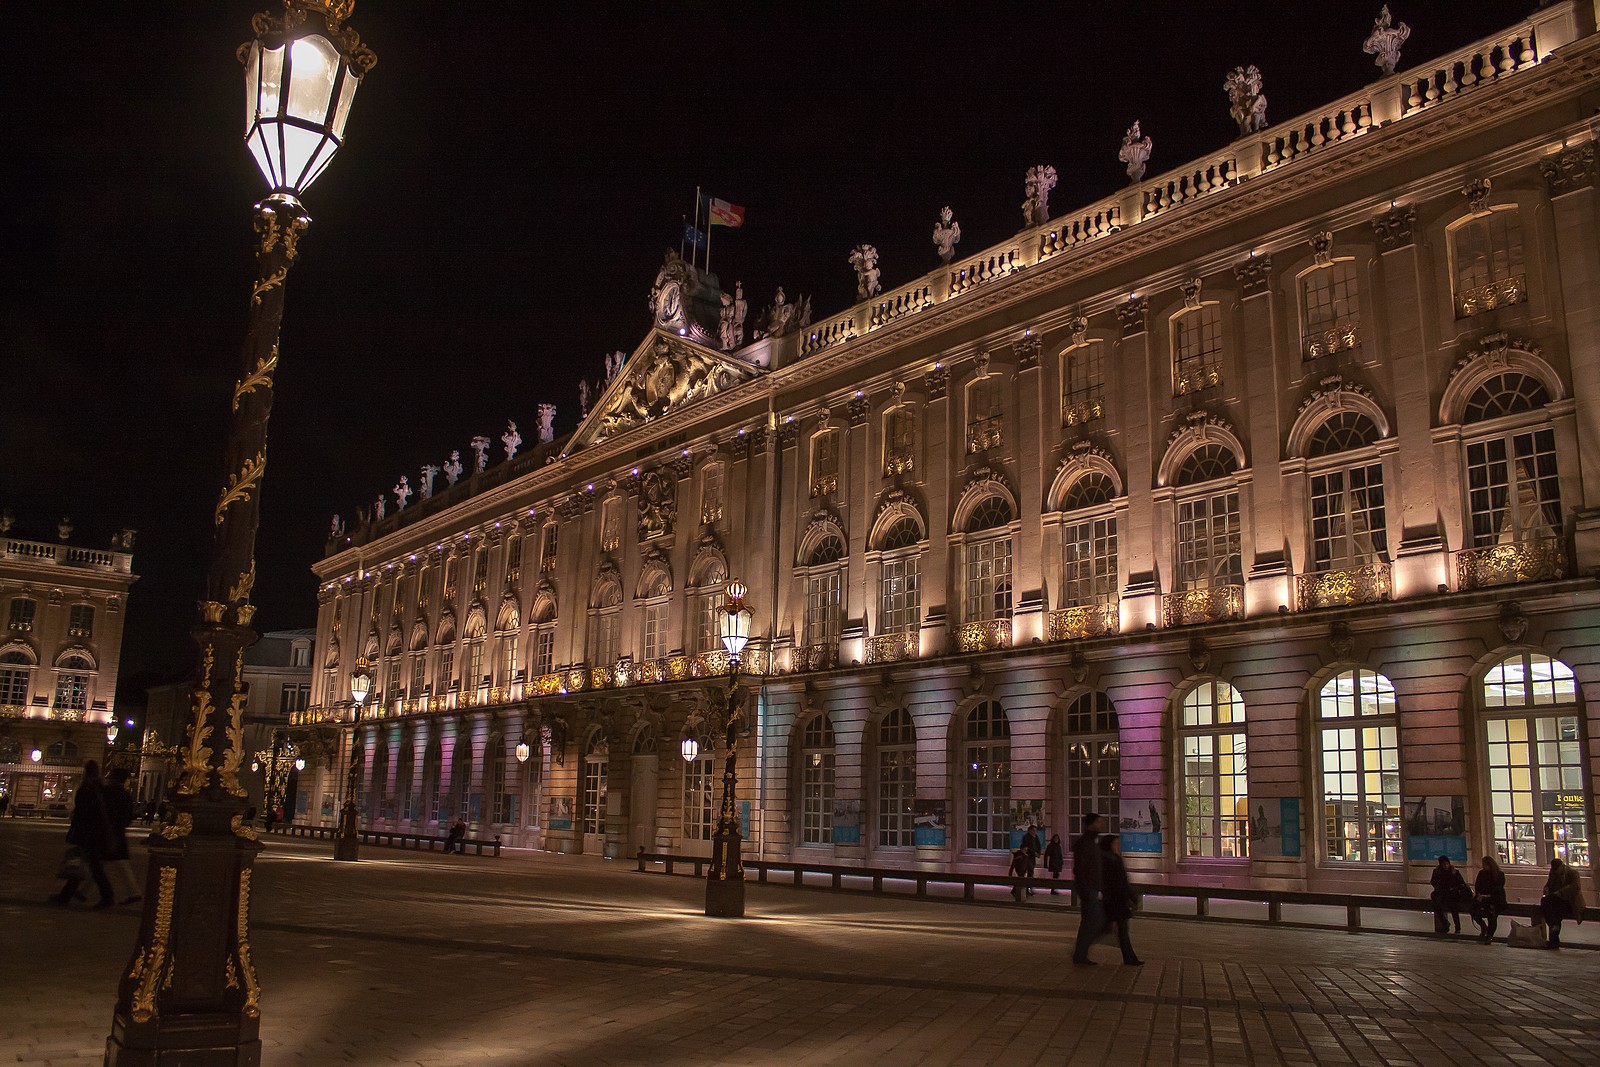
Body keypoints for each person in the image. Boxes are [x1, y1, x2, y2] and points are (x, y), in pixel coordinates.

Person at [51, 760, 116, 909]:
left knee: (92, 866)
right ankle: (65, 895)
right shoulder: (100, 788)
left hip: (89, 832)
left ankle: (107, 897)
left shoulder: (88, 788)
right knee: (84, 864)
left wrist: (76, 832)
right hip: (96, 833)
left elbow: (83, 813)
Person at [1099, 834, 1144, 966]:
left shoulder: (1115, 859)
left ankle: (1130, 958)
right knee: (1120, 930)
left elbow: (1124, 881)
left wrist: (1131, 896)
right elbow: (1114, 882)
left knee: (1121, 929)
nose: (1118, 846)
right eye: (1115, 843)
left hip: (1118, 899)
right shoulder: (1108, 860)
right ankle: (1082, 948)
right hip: (1115, 900)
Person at [102, 767, 142, 905]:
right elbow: (129, 816)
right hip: (118, 832)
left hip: (108, 832)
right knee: (118, 863)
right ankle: (133, 891)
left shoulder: (107, 792)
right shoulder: (125, 795)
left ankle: (133, 892)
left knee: (101, 863)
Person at [1070, 812, 1104, 965]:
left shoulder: (1092, 842)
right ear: (1090, 824)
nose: (1100, 825)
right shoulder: (1085, 843)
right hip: (1088, 889)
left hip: (1091, 888)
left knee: (1089, 921)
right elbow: (1080, 868)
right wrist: (1084, 889)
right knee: (1094, 921)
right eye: (1098, 822)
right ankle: (1080, 952)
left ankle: (1080, 953)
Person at [1541, 856, 1588, 949]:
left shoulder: (1572, 873)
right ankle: (1553, 934)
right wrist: (1546, 889)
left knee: (1556, 914)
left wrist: (1560, 893)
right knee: (1547, 905)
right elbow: (1548, 884)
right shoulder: (1553, 873)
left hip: (1569, 902)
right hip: (1555, 900)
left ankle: (1553, 939)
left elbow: (1575, 888)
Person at [1471, 854, 1507, 944]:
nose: (1484, 867)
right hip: (1482, 897)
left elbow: (1498, 888)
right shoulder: (1481, 873)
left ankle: (1489, 935)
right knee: (1474, 911)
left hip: (1495, 899)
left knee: (1492, 916)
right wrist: (1479, 894)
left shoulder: (1499, 874)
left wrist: (1488, 895)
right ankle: (1483, 926)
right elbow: (1478, 886)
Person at [1429, 855, 1469, 934]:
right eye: (1444, 864)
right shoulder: (1437, 872)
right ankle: (1445, 923)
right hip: (1442, 893)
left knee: (1453, 908)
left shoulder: (1454, 871)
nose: (1446, 866)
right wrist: (1439, 888)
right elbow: (1433, 882)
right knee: (1437, 907)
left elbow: (1461, 883)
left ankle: (1457, 927)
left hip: (1452, 894)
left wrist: (1454, 888)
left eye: (1447, 864)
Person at [1021, 823, 1042, 895]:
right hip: (1028, 857)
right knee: (1029, 871)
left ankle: (1029, 887)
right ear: (1029, 830)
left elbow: (1038, 845)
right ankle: (1026, 888)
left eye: (1035, 830)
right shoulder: (1026, 837)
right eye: (1033, 830)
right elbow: (1026, 847)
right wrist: (1034, 852)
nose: (1035, 832)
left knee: (1031, 871)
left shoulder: (1035, 837)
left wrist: (1038, 853)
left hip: (1033, 857)